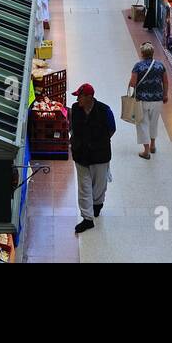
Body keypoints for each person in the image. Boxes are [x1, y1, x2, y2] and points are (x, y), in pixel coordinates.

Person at [69, 83, 115, 234]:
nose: (78, 100)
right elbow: (71, 127)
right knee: (84, 187)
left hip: (100, 155)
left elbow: (111, 129)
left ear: (89, 97)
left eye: (80, 97)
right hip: (80, 154)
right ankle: (87, 218)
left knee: (99, 185)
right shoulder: (75, 109)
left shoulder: (104, 110)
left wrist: (98, 142)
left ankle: (97, 205)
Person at [128, 42, 167, 159]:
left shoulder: (138, 66)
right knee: (154, 122)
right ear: (152, 53)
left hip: (142, 100)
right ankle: (153, 145)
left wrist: (130, 83)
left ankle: (146, 151)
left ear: (142, 54)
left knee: (142, 123)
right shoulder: (160, 65)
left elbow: (133, 83)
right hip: (157, 99)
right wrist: (165, 95)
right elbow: (165, 81)